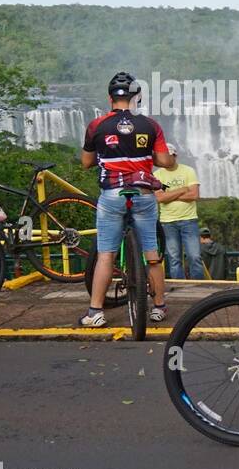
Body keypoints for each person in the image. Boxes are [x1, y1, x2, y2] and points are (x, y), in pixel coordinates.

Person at [80, 72, 173, 326]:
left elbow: (86, 162)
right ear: (136, 99)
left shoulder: (97, 125)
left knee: (106, 255)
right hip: (143, 194)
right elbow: (165, 162)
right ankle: (159, 307)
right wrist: (155, 156)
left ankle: (95, 313)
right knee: (152, 255)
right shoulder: (150, 125)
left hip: (111, 195)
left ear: (110, 99)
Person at [154, 145, 202, 279]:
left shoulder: (188, 171)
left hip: (189, 220)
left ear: (174, 155)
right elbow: (159, 198)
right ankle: (178, 286)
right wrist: (182, 190)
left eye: (166, 156)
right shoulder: (157, 175)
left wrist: (169, 195)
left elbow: (194, 195)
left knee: (195, 256)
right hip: (167, 222)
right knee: (174, 259)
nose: (164, 159)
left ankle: (200, 287)